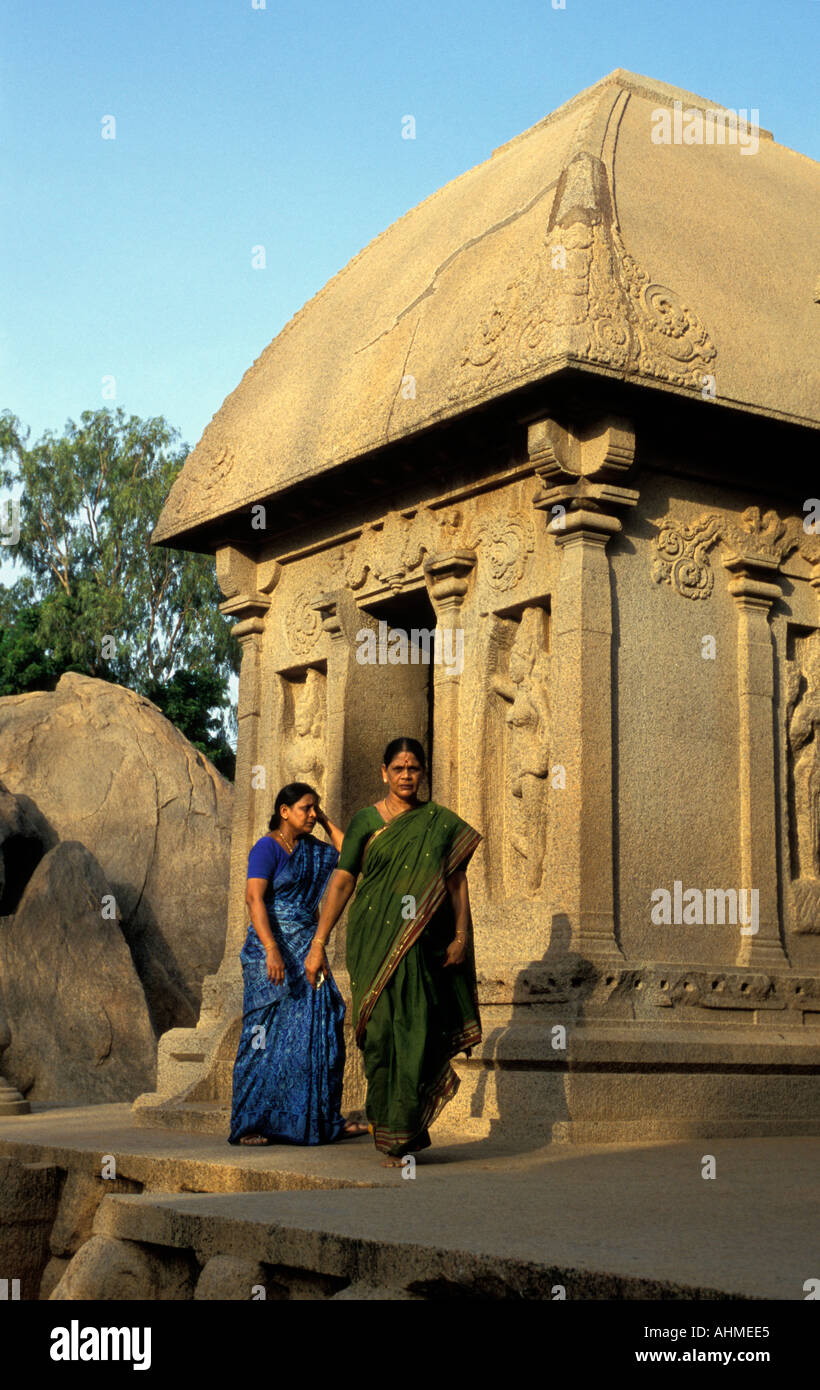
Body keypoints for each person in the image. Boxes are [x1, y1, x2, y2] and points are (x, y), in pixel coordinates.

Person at [304, 739, 482, 1165]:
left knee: (416, 1034)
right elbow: (344, 881)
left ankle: (402, 1137)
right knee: (379, 1036)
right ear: (384, 772)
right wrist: (318, 942)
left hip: (421, 948)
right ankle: (387, 1126)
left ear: (423, 773)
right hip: (372, 943)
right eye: (399, 768)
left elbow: (456, 883)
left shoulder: (439, 823)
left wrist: (460, 937)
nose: (406, 775)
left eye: (414, 768)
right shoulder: (365, 820)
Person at [229, 782, 368, 1145]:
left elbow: (352, 852)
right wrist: (273, 948)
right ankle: (251, 1123)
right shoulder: (266, 848)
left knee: (321, 1025)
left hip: (307, 949)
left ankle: (320, 1120)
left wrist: (323, 818)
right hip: (270, 952)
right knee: (262, 1038)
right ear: (283, 811)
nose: (310, 814)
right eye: (306, 808)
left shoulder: (311, 848)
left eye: (314, 809)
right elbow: (254, 899)